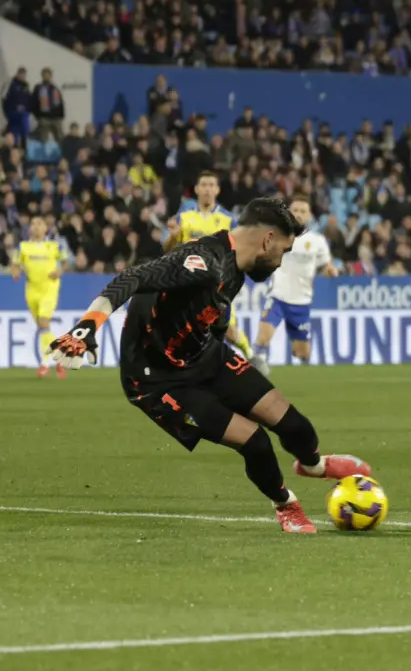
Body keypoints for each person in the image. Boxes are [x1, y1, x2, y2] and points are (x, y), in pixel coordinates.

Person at [47, 197, 371, 534]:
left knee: (294, 426)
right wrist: (85, 329)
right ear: (268, 239)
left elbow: (212, 316)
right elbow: (132, 278)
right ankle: (285, 504)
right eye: (284, 251)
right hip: (158, 381)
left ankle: (314, 466)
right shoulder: (201, 260)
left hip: (204, 355)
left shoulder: (235, 269)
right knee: (255, 442)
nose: (280, 262)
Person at [164, 171, 258, 365]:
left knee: (229, 331)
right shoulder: (183, 218)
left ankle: (251, 355)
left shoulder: (229, 220)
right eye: (203, 185)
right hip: (188, 283)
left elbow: (238, 251)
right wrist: (173, 237)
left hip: (218, 285)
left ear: (217, 190)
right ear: (197, 189)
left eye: (211, 185)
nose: (207, 189)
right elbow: (166, 249)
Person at [253, 195, 337, 374]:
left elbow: (324, 265)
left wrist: (330, 271)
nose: (298, 214)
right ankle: (255, 374)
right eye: (295, 210)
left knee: (303, 353)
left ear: (309, 215)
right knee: (263, 339)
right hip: (278, 295)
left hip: (301, 302)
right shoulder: (276, 236)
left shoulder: (317, 241)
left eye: (302, 211)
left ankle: (295, 349)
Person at [11, 215, 70, 378]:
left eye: (39, 224)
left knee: (44, 323)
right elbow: (15, 264)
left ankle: (44, 364)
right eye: (33, 223)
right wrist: (15, 273)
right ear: (30, 228)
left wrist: (59, 271)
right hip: (31, 290)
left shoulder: (55, 245)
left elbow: (65, 262)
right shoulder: (22, 247)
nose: (36, 226)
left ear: (45, 228)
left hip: (49, 289)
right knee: (43, 327)